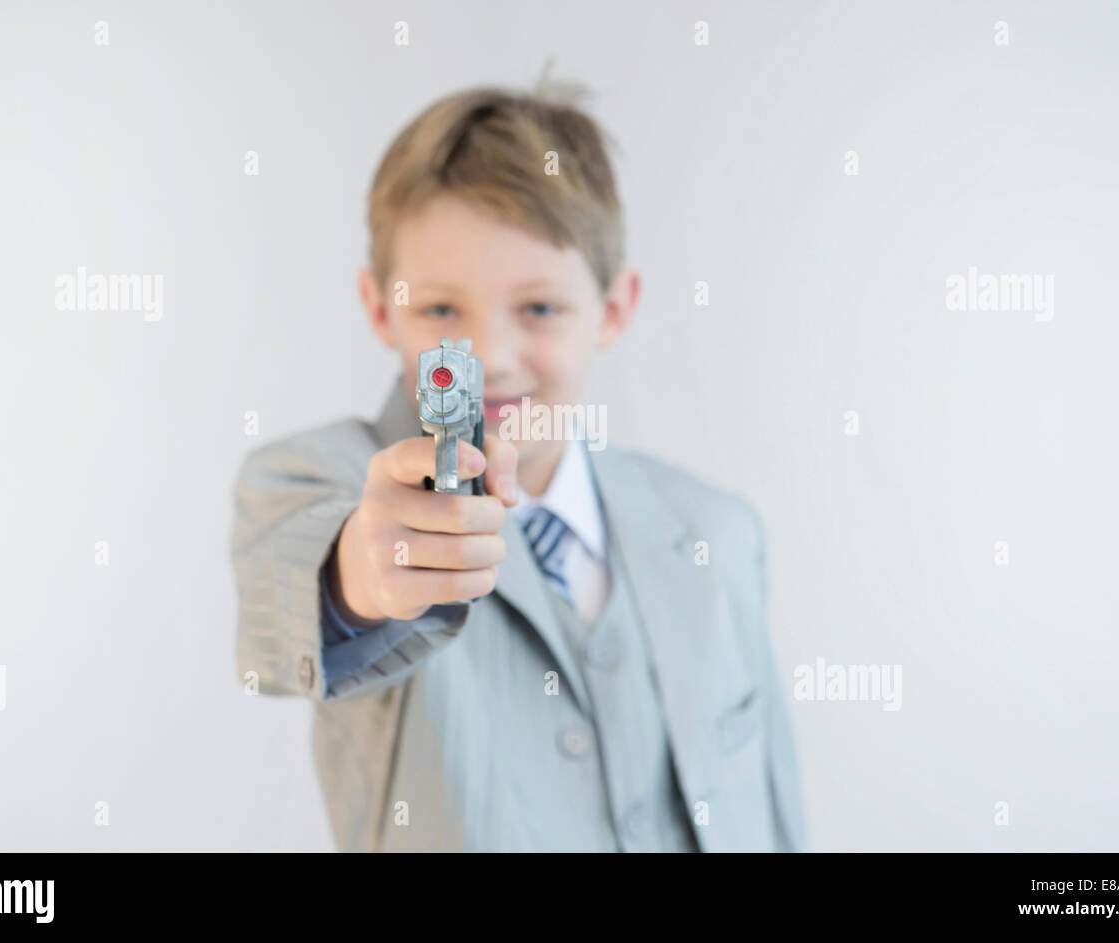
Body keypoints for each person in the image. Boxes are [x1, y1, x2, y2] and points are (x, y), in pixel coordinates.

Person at [230, 75, 807, 852]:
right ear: (379, 309)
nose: (487, 360)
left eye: (538, 308)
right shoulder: (318, 481)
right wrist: (362, 577)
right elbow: (292, 596)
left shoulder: (718, 532)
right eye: (440, 310)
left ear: (613, 308)